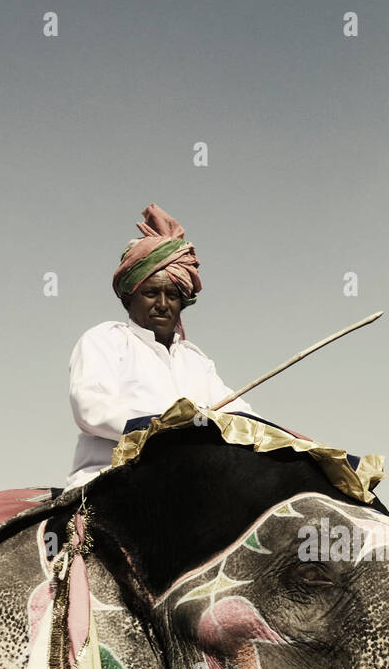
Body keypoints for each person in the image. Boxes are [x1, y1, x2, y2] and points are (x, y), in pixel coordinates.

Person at [66, 203, 254, 489]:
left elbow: (239, 413)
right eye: (151, 293)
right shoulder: (104, 340)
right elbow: (91, 409)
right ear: (129, 297)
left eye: (173, 295)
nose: (163, 305)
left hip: (192, 479)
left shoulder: (195, 360)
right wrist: (173, 427)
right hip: (110, 481)